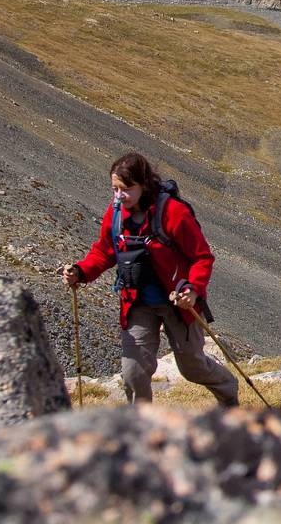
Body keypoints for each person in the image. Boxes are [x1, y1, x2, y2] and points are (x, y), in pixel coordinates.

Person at [63, 152, 239, 406]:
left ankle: (229, 392)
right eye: (115, 189)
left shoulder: (173, 212)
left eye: (126, 189)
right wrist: (80, 271)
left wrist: (193, 290)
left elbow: (202, 257)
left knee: (192, 367)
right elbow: (104, 252)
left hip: (178, 303)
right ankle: (142, 423)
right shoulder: (115, 214)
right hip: (137, 303)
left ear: (143, 185)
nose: (119, 195)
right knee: (133, 371)